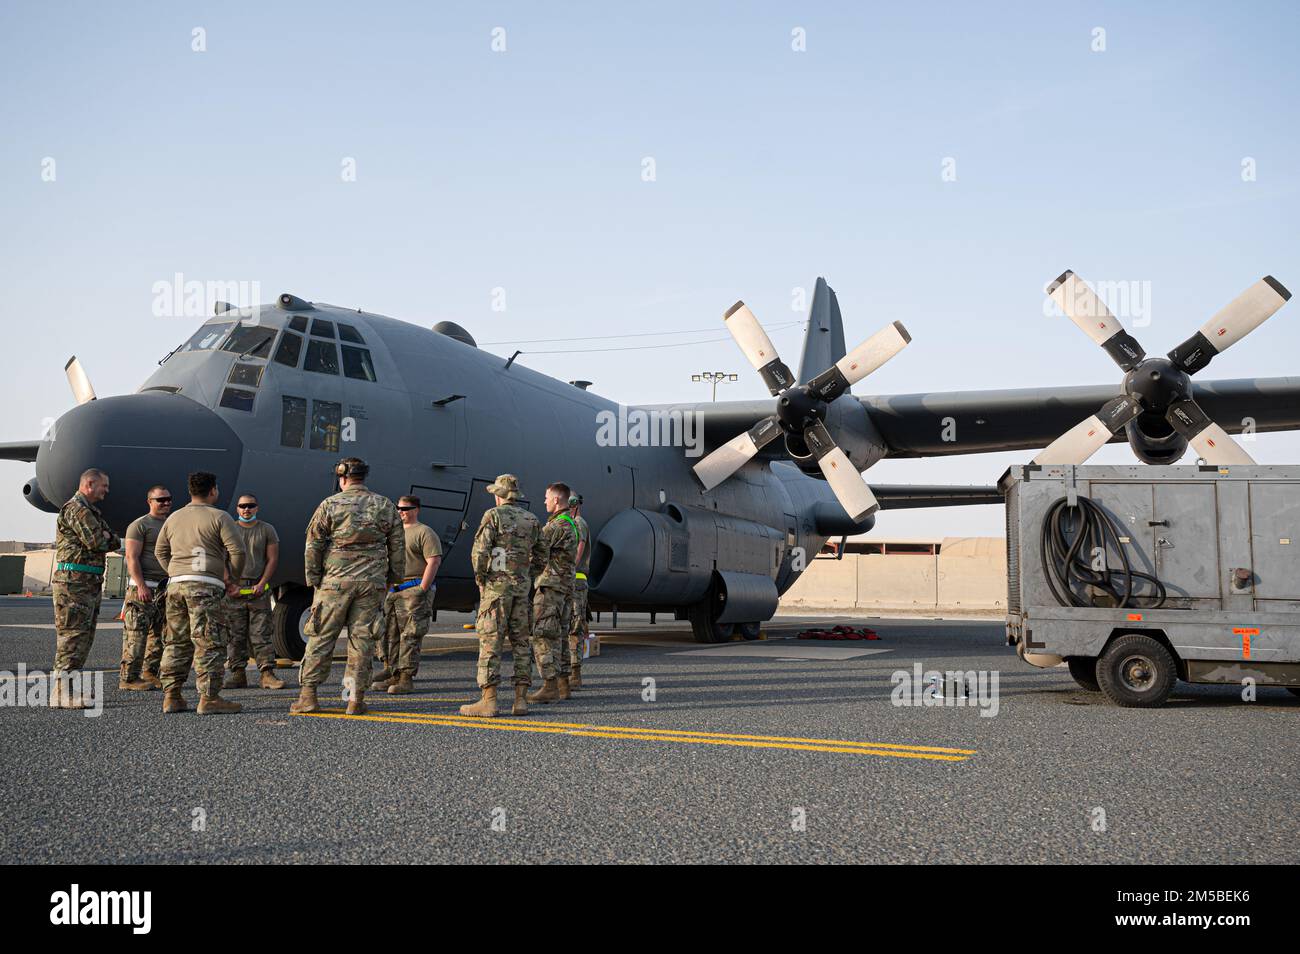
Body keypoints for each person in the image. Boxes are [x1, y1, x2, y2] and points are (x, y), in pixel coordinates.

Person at [290, 457, 403, 717]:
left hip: (335, 582)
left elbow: (314, 544)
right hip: (370, 583)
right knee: (362, 640)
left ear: (342, 479)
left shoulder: (330, 504)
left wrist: (314, 578)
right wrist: (391, 579)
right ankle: (354, 699)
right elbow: (397, 546)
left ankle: (308, 697)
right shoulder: (384, 505)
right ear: (364, 478)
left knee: (321, 636)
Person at [154, 471, 247, 715]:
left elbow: (160, 552)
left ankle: (172, 696)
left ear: (190, 491)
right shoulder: (220, 517)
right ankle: (209, 698)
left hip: (175, 586)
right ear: (213, 490)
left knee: (176, 640)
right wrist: (232, 580)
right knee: (209, 642)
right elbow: (238, 552)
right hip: (205, 586)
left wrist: (176, 573)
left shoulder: (173, 518)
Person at [461, 474, 542, 718]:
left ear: (499, 496)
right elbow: (542, 555)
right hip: (521, 589)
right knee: (521, 644)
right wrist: (527, 575)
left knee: (490, 643)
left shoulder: (493, 516)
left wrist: (482, 581)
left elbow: (480, 553)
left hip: (496, 590)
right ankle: (520, 700)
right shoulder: (532, 519)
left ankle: (489, 700)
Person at [50, 468, 119, 709]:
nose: (107, 491)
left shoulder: (91, 512)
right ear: (90, 484)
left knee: (83, 638)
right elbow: (98, 541)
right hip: (74, 584)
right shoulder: (77, 509)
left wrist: (108, 536)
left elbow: (114, 540)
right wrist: (107, 536)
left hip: (87, 582)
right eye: (104, 486)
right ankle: (60, 693)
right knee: (72, 637)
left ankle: (66, 690)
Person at [375, 495, 441, 695]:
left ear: (416, 509)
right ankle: (393, 674)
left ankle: (406, 679)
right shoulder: (394, 534)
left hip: (414, 589)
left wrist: (422, 588)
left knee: (410, 635)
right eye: (399, 508)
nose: (401, 511)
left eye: (406, 508)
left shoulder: (425, 533)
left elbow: (434, 561)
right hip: (394, 590)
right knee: (389, 634)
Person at [223, 493, 286, 690]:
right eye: (243, 506)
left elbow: (272, 559)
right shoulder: (229, 529)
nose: (246, 509)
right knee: (235, 634)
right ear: (237, 509)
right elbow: (221, 558)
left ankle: (267, 674)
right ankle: (237, 674)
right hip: (234, 590)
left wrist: (263, 583)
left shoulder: (267, 529)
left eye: (250, 506)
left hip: (258, 589)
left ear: (257, 507)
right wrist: (228, 584)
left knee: (261, 634)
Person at [528, 481, 579, 704]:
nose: (545, 501)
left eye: (547, 497)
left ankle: (549, 685)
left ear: (557, 499)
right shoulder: (571, 523)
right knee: (560, 636)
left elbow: (536, 552)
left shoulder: (556, 526)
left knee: (542, 635)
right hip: (566, 588)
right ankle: (563, 685)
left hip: (551, 588)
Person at [119, 485, 172, 691]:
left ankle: (150, 673)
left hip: (164, 589)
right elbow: (131, 558)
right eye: (161, 500)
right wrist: (141, 585)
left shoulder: (171, 524)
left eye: (168, 499)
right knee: (136, 635)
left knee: (158, 635)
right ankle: (128, 678)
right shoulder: (140, 525)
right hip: (142, 589)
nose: (166, 503)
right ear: (150, 502)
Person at [565, 494, 592, 691]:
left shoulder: (578, 522)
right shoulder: (567, 523)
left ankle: (575, 673)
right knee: (568, 627)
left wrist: (571, 568)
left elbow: (580, 544)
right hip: (569, 580)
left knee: (575, 627)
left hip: (576, 580)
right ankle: (567, 672)